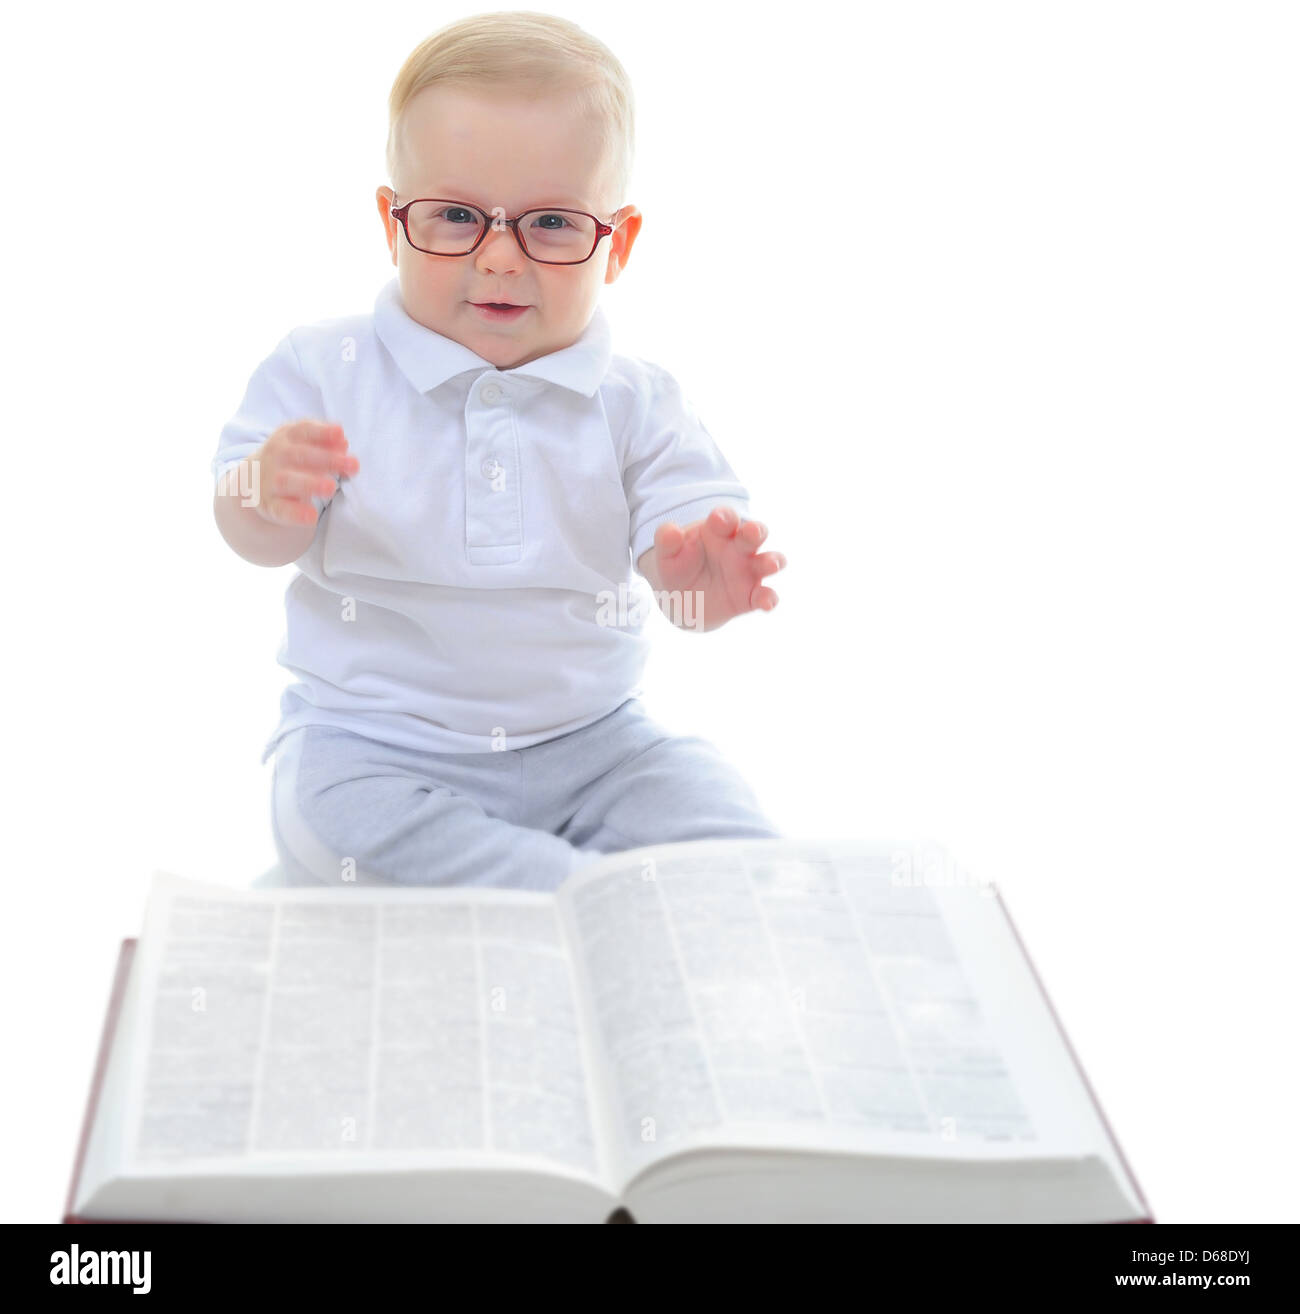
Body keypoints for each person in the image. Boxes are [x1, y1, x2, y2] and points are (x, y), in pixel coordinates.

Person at [212, 12, 788, 890]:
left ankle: (556, 892)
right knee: (335, 822)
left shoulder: (637, 399)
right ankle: (568, 897)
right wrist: (264, 498)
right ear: (390, 222)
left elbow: (683, 561)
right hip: (375, 744)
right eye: (453, 216)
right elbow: (252, 535)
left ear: (618, 244)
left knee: (726, 834)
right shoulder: (326, 368)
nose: (499, 258)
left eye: (552, 223)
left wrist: (699, 580)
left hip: (596, 747)